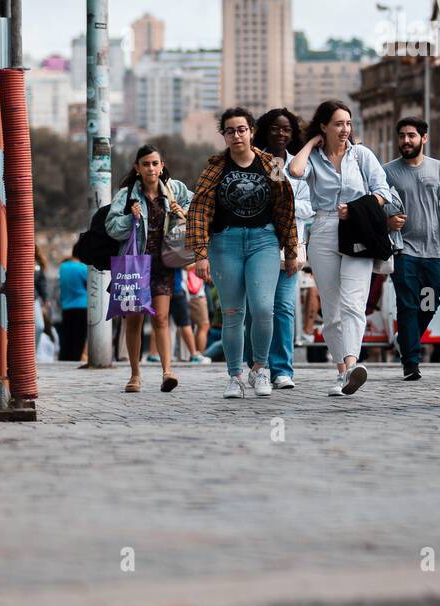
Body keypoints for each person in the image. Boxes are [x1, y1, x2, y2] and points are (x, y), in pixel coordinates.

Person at [186, 107, 300, 399]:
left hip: (264, 241)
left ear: (251, 132)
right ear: (223, 135)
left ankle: (260, 368)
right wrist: (200, 254)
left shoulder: (271, 164)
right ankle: (235, 376)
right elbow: (198, 211)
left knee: (263, 309)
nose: (236, 135)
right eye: (229, 131)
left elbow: (285, 208)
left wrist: (290, 251)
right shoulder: (214, 167)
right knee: (233, 312)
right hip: (225, 244)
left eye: (241, 129)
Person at [289, 99, 390, 396]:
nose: (345, 129)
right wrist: (310, 144)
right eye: (338, 124)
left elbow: (383, 192)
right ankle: (342, 372)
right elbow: (294, 171)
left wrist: (357, 209)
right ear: (324, 126)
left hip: (356, 228)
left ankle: (352, 363)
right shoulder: (314, 158)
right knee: (331, 310)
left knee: (353, 302)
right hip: (322, 229)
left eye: (348, 123)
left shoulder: (361, 155)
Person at [105, 143, 193, 394]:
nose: (151, 168)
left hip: (163, 263)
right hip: (135, 263)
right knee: (134, 321)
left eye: (155, 163)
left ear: (162, 165)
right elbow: (112, 227)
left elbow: (197, 209)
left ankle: (168, 372)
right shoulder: (126, 195)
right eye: (145, 164)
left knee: (162, 318)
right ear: (137, 168)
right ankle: (135, 375)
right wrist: (129, 217)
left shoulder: (174, 189)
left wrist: (181, 211)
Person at [384, 118, 440, 380]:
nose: (406, 141)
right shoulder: (388, 171)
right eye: (402, 136)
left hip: (432, 253)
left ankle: (407, 336)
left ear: (424, 138)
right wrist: (387, 221)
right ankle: (411, 363)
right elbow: (375, 206)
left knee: (429, 302)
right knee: (407, 304)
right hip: (403, 250)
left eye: (412, 136)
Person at [252, 107, 314, 391]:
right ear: (265, 130)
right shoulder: (252, 162)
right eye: (275, 128)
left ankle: (282, 370)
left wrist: (281, 204)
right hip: (255, 246)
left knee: (285, 308)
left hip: (289, 247)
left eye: (286, 129)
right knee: (259, 309)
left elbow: (309, 206)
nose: (280, 133)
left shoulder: (300, 166)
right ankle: (257, 365)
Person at [57, 244, 89, 362]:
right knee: (79, 337)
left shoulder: (63, 267)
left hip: (66, 306)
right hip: (82, 305)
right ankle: (75, 359)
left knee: (67, 336)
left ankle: (64, 358)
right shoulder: (82, 268)